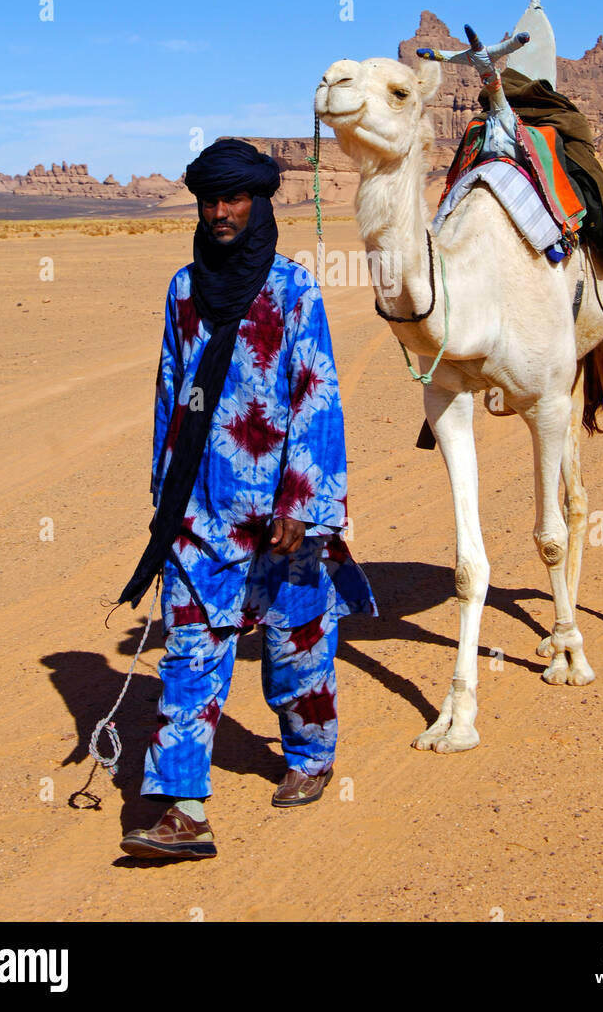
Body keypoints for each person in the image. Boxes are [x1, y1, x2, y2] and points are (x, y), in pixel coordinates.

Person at [118, 138, 376, 861]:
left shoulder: (294, 289)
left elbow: (317, 395)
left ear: (260, 204)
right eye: (210, 200)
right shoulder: (182, 289)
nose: (220, 211)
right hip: (200, 505)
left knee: (296, 648)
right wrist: (163, 500)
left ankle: (308, 755)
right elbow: (170, 393)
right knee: (190, 651)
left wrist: (303, 500)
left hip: (281, 510)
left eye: (233, 199)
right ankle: (182, 808)